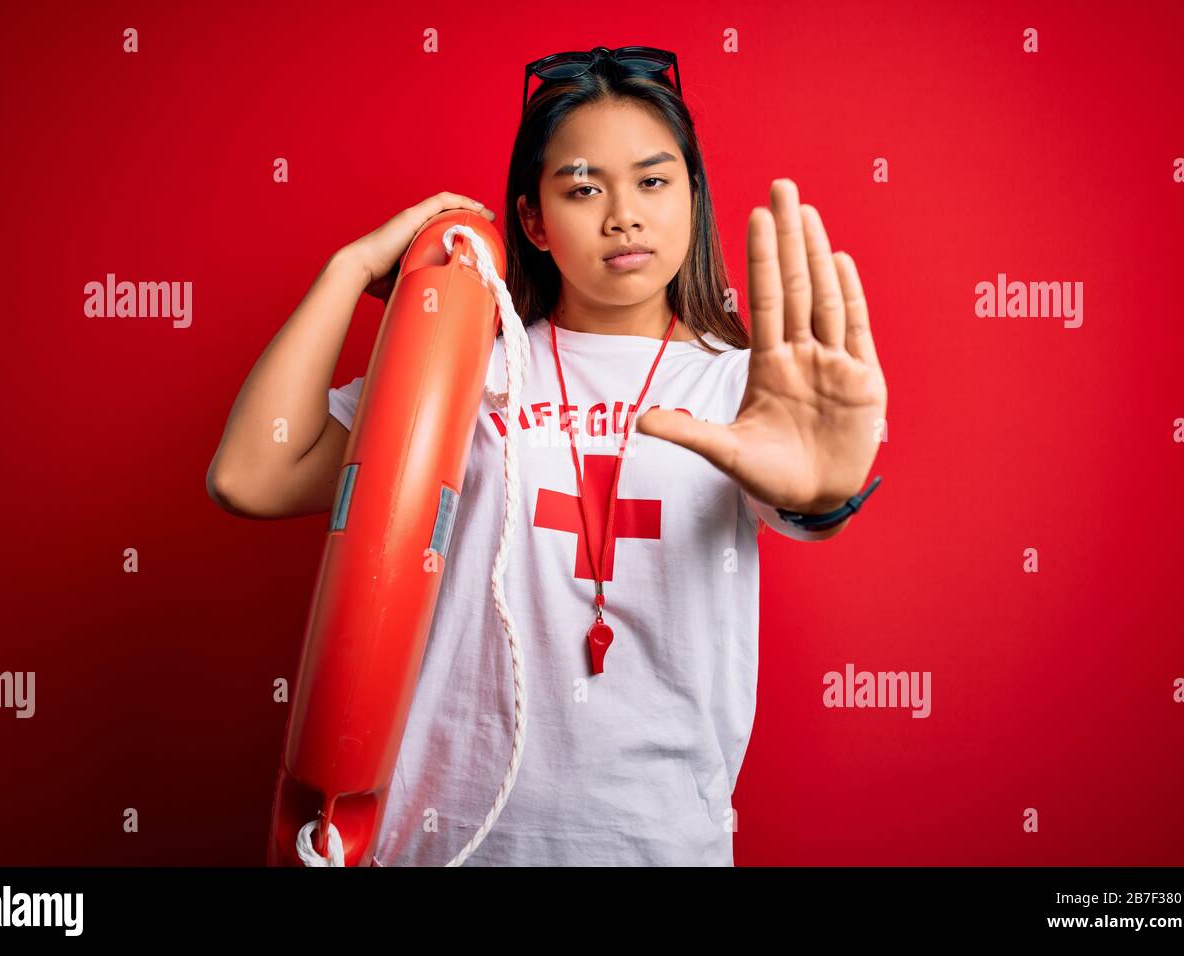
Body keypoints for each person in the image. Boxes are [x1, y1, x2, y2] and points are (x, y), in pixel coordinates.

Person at [206, 46, 887, 866]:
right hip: (448, 841)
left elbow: (804, 496)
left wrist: (823, 495)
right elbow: (250, 475)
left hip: (658, 843)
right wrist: (349, 270)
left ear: (694, 201)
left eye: (653, 181)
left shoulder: (746, 386)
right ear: (533, 221)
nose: (623, 215)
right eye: (583, 188)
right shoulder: (462, 371)